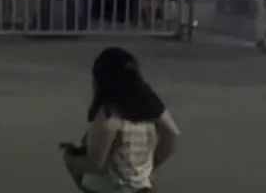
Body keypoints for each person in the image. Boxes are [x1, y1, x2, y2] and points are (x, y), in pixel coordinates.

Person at [61, 46, 178, 192]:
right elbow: (172, 134)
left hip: (117, 187)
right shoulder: (150, 106)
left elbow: (96, 165)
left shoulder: (109, 115)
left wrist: (70, 160)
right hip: (142, 187)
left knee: (84, 173)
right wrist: (147, 170)